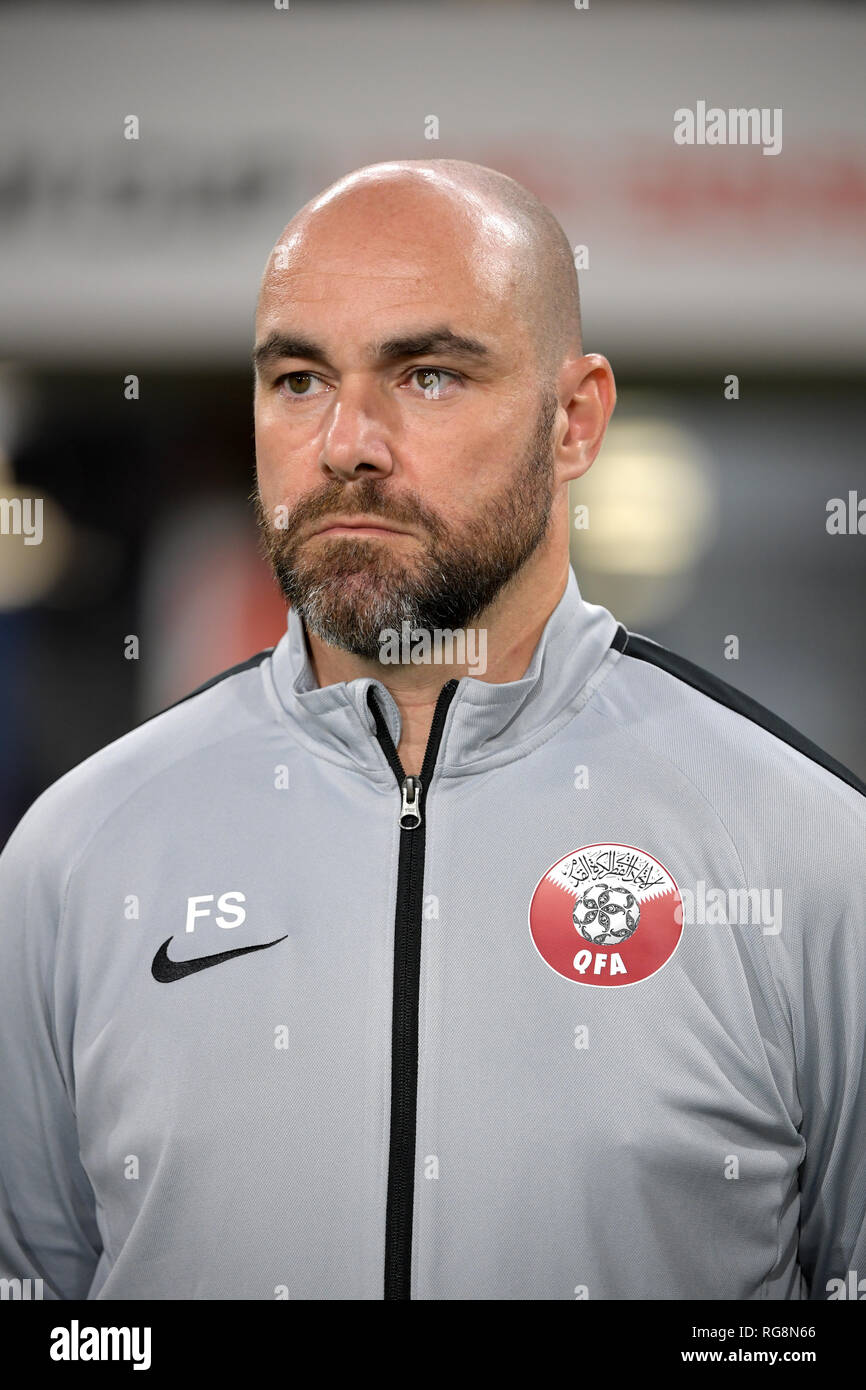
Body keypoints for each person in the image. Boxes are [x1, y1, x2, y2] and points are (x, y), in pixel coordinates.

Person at [0, 159, 863, 1302]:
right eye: (299, 379)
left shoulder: (807, 851)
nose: (348, 441)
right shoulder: (76, 856)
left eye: (429, 374)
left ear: (574, 419)